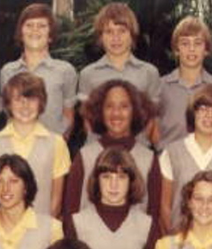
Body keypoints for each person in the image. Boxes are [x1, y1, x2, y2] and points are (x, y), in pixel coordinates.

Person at [0, 72, 71, 218]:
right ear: (8, 104)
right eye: (18, 99)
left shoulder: (56, 143)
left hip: (40, 230)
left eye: (32, 99)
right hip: (1, 231)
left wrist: (44, 229)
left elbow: (56, 199)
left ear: (42, 103)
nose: (25, 106)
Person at [158, 84, 212, 234]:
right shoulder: (172, 152)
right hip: (179, 239)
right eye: (203, 110)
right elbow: (165, 205)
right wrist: (173, 238)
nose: (209, 116)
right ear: (194, 113)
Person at [63, 79, 159, 216]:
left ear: (136, 111)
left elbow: (154, 214)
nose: (116, 113)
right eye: (109, 106)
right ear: (99, 111)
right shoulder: (85, 156)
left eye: (124, 106)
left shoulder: (149, 159)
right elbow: (70, 213)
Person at [76, 2, 161, 143]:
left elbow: (152, 119)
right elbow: (87, 122)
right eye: (109, 32)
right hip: (100, 155)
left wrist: (137, 148)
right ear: (100, 36)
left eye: (122, 31)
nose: (116, 38)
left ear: (132, 34)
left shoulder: (149, 73)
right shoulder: (88, 74)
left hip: (138, 153)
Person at [0, 3, 78, 137]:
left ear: (50, 35)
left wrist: (60, 145)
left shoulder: (65, 70)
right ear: (21, 33)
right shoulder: (8, 71)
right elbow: (8, 113)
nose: (35, 30)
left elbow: (68, 115)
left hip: (52, 149)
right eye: (29, 25)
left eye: (41, 26)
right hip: (16, 149)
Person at [155, 15, 212, 148]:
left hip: (208, 162)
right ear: (176, 50)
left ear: (206, 49)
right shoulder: (161, 86)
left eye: (198, 43)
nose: (191, 49)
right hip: (169, 161)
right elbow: (152, 130)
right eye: (185, 43)